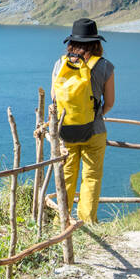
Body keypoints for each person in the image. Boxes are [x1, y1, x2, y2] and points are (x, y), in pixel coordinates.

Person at [50, 17, 115, 223]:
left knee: (67, 175)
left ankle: (62, 220)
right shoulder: (105, 66)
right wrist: (95, 115)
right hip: (94, 130)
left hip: (66, 131)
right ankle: (87, 222)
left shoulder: (61, 64)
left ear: (71, 42)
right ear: (96, 42)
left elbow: (53, 97)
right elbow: (110, 102)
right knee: (91, 177)